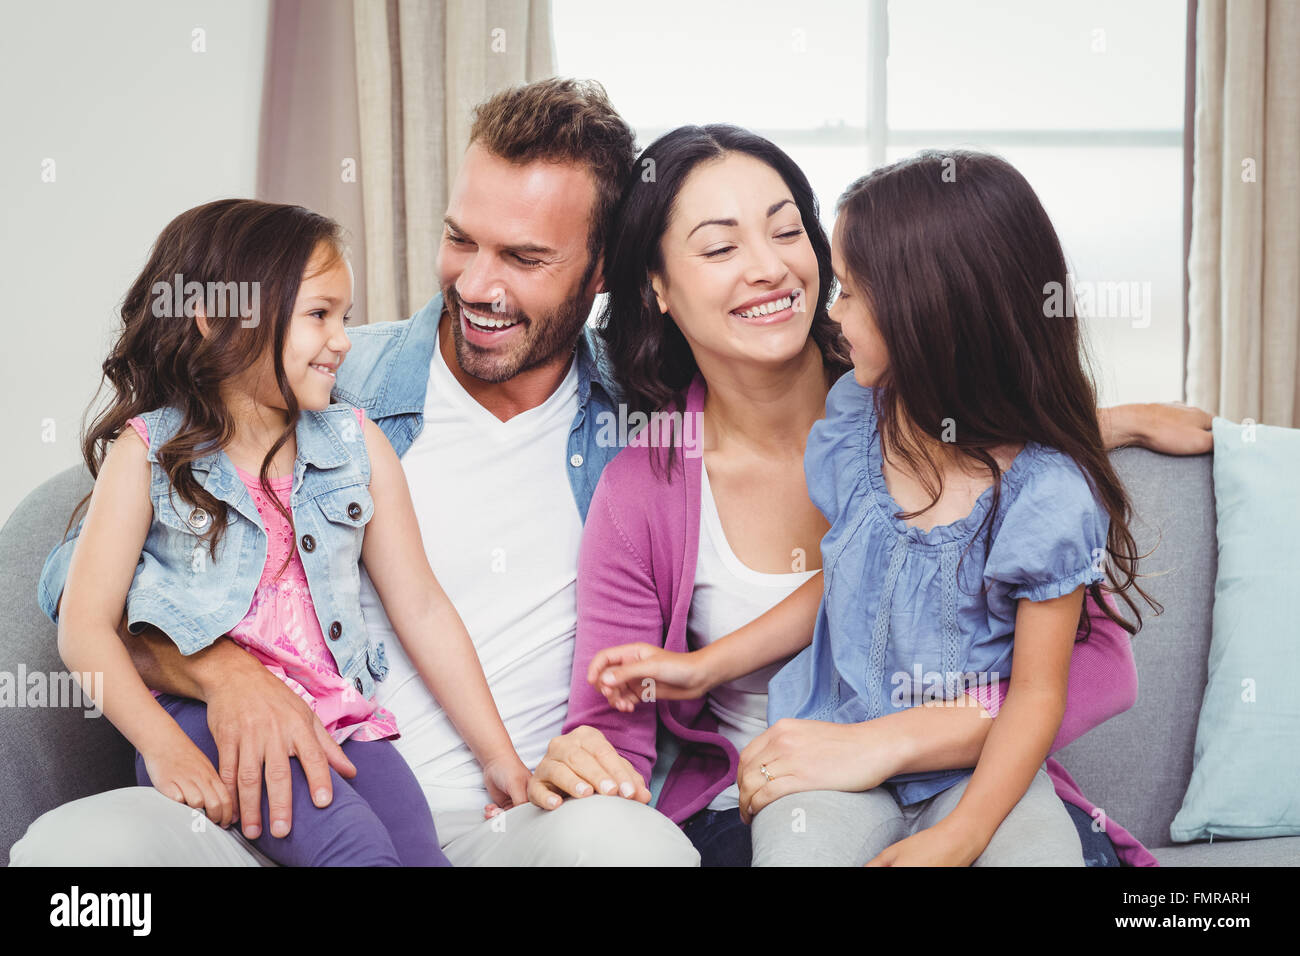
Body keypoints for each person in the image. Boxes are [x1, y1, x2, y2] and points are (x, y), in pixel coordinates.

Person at [564, 126, 1201, 866]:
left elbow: (1078, 667)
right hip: (772, 795)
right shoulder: (656, 487)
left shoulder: (933, 418)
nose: (771, 269)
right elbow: (617, 720)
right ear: (658, 288)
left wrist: (883, 744)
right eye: (719, 247)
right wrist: (581, 765)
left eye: (786, 231)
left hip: (972, 778)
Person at [51, 198, 533, 866]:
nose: (343, 339)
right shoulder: (149, 454)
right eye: (319, 315)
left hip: (343, 719)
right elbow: (84, 625)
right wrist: (163, 746)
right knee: (360, 856)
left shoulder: (356, 446)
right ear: (219, 321)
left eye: (346, 317)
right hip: (213, 724)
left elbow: (421, 605)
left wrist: (499, 756)